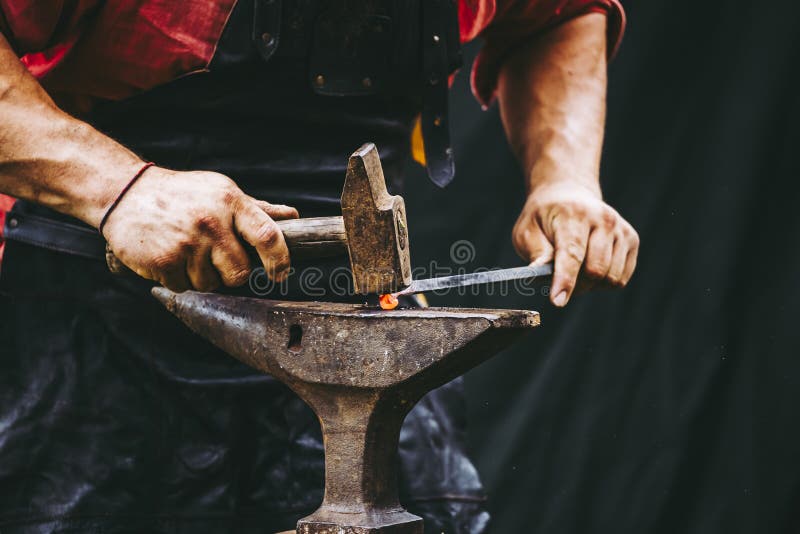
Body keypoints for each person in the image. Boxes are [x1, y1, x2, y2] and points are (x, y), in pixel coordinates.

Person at [0, 1, 638, 532]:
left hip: (364, 323)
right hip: (98, 328)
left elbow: (557, 12)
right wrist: (117, 188)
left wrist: (565, 177)